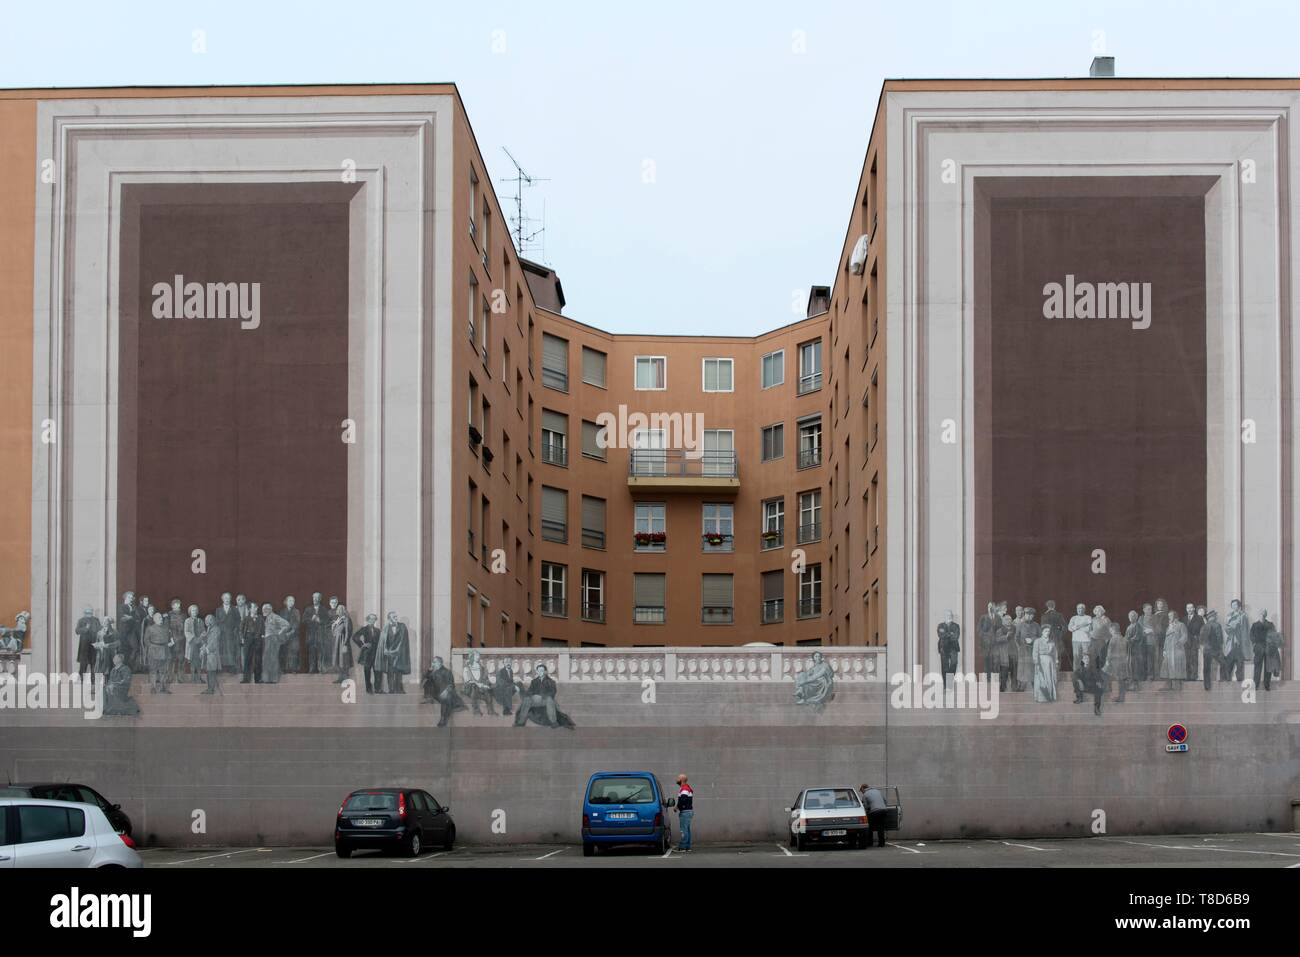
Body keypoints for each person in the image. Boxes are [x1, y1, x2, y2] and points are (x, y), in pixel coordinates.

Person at [513, 663, 575, 728]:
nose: (540, 672)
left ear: (545, 672)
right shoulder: (534, 681)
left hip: (545, 699)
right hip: (535, 699)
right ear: (537, 671)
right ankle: (521, 722)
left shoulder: (551, 681)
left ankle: (553, 722)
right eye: (539, 671)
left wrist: (542, 696)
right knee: (527, 700)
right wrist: (533, 695)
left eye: (542, 671)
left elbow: (553, 692)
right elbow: (529, 691)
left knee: (550, 700)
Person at [422, 656, 467, 726]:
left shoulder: (447, 671)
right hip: (436, 693)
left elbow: (451, 685)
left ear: (439, 663)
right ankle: (444, 716)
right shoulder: (433, 671)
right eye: (432, 662)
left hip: (447, 692)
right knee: (444, 699)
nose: (432, 664)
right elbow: (425, 678)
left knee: (446, 699)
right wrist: (429, 671)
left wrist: (445, 692)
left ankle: (443, 719)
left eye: (434, 662)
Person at [379, 612, 410, 694]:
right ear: (389, 618)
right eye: (394, 617)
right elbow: (383, 641)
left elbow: (403, 640)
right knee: (390, 672)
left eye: (396, 616)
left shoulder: (402, 626)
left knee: (399, 671)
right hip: (389, 654)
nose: (396, 618)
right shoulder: (386, 627)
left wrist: (396, 650)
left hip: (398, 653)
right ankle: (391, 689)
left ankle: (399, 689)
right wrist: (385, 650)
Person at [260, 604, 292, 684]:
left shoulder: (274, 617)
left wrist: (279, 632)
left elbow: (287, 624)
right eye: (263, 609)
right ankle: (267, 678)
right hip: (268, 639)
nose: (263, 611)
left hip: (273, 640)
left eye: (265, 609)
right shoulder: (267, 618)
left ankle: (273, 679)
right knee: (267, 659)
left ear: (270, 609)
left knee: (273, 658)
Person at [143, 611, 172, 693]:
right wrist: (152, 647)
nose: (161, 619)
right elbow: (146, 640)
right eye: (159, 618)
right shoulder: (150, 628)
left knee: (163, 670)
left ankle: (163, 687)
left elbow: (169, 639)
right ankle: (153, 688)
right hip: (153, 652)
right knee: (153, 670)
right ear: (154, 619)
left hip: (164, 651)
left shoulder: (166, 628)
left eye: (161, 618)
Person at [461, 650, 496, 714]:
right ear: (472, 657)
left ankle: (491, 710)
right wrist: (478, 684)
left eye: (478, 655)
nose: (478, 657)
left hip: (480, 688)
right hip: (470, 688)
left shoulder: (481, 667)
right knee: (474, 687)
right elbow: (467, 680)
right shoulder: (466, 668)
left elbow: (485, 678)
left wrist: (487, 683)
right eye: (476, 655)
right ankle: (476, 710)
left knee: (487, 691)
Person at [302, 593, 329, 675]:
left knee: (321, 652)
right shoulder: (308, 609)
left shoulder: (324, 609)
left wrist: (319, 620)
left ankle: (321, 668)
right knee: (312, 652)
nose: (315, 599)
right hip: (311, 635)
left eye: (317, 598)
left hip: (321, 635)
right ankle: (312, 669)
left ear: (320, 599)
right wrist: (311, 619)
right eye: (314, 597)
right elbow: (303, 621)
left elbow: (327, 621)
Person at [1161, 611, 1188, 692]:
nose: (1169, 617)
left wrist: (1179, 643)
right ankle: (1169, 685)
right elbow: (1166, 639)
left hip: (1177, 649)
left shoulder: (1181, 625)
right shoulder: (1168, 627)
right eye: (1169, 616)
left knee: (1178, 666)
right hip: (1169, 650)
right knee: (1167, 666)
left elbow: (1185, 635)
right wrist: (1164, 649)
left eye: (1171, 615)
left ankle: (1177, 686)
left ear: (1175, 616)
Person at [214, 593, 240, 675]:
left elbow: (238, 621)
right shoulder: (218, 610)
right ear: (222, 599)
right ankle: (222, 668)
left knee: (231, 650)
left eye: (228, 598)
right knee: (222, 650)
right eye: (225, 598)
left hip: (231, 633)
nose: (227, 599)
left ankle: (231, 668)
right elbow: (217, 622)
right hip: (221, 634)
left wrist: (235, 630)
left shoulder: (235, 609)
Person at [354, 614, 381, 693]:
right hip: (367, 654)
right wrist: (362, 645)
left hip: (376, 653)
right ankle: (368, 689)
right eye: (371, 619)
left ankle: (377, 689)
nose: (372, 620)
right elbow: (355, 637)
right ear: (368, 620)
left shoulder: (378, 630)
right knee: (367, 671)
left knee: (377, 671)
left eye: (374, 619)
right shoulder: (364, 629)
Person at [1251, 610, 1277, 692]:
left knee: (1268, 668)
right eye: (1261, 613)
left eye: (1264, 613)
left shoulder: (1270, 625)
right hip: (1259, 648)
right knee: (1257, 667)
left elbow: (1273, 635)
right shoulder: (1255, 625)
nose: (1262, 615)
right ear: (1259, 614)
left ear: (1266, 615)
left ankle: (1267, 685)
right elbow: (1251, 635)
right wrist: (1255, 644)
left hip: (1268, 648)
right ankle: (1255, 685)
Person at [1223, 600, 1249, 682]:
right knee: (1228, 662)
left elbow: (1245, 629)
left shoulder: (1243, 615)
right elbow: (1226, 628)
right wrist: (1233, 626)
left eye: (1235, 605)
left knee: (1239, 663)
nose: (1234, 606)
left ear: (1239, 606)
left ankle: (1239, 681)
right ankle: (1227, 679)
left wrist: (1244, 641)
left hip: (1239, 642)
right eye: (1232, 605)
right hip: (1230, 642)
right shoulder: (1229, 615)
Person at [1104, 621, 1130, 702]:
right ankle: (1121, 697)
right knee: (1121, 680)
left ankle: (1107, 692)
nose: (1110, 631)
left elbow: (1110, 651)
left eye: (1110, 630)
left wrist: (1107, 660)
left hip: (1114, 661)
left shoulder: (1113, 638)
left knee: (1105, 673)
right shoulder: (1123, 638)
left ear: (1113, 629)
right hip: (1122, 661)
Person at [1032, 624, 1057, 702]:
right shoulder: (1037, 641)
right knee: (1041, 679)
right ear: (1042, 632)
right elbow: (1035, 653)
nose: (1047, 633)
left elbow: (1055, 653)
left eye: (1048, 631)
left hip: (1050, 663)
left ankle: (1050, 696)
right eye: (1045, 631)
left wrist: (1056, 661)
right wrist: (1036, 663)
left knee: (1050, 679)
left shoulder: (1052, 642)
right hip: (1041, 662)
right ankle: (1041, 698)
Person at [1042, 600, 1068, 672]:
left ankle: (1048, 676)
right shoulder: (1059, 615)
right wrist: (1060, 633)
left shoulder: (1044, 616)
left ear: (1047, 606)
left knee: (1047, 656)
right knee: (1057, 657)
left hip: (1046, 640)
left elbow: (1042, 628)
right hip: (1057, 639)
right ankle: (1056, 675)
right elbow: (1064, 628)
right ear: (1054, 606)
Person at [1015, 608, 1038, 693]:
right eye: (1027, 614)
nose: (1029, 616)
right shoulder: (1020, 625)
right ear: (1024, 615)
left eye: (1031, 615)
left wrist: (1032, 639)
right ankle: (1021, 686)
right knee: (1022, 669)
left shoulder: (1036, 625)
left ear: (1033, 616)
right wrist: (1019, 647)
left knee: (1033, 668)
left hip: (1033, 651)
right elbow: (1016, 637)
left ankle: (1035, 685)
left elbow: (1040, 637)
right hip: (1023, 651)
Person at [331, 604, 355, 684]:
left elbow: (348, 632)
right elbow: (334, 633)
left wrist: (345, 643)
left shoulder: (346, 619)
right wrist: (334, 625)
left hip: (343, 642)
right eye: (338, 609)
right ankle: (340, 678)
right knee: (339, 661)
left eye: (340, 609)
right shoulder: (338, 619)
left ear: (343, 610)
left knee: (344, 661)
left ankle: (345, 678)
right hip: (337, 642)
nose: (338, 610)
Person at [240, 603, 264, 683]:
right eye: (254, 607)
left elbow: (263, 629)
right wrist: (243, 638)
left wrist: (262, 637)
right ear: (250, 609)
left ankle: (258, 679)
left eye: (256, 607)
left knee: (258, 660)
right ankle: (246, 679)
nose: (256, 608)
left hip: (258, 640)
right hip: (248, 639)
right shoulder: (246, 618)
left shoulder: (260, 618)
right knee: (247, 659)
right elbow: (241, 629)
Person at [937, 612, 961, 691]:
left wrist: (946, 634)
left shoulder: (956, 626)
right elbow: (940, 635)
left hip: (953, 648)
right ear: (945, 616)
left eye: (950, 615)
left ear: (952, 616)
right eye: (947, 615)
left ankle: (949, 683)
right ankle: (945, 685)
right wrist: (950, 634)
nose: (949, 616)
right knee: (944, 667)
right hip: (943, 648)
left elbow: (956, 636)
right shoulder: (940, 625)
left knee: (954, 664)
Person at [1201, 609, 1224, 690]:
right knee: (1224, 663)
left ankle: (1207, 686)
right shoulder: (1217, 625)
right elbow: (1220, 638)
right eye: (1215, 615)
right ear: (1213, 617)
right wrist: (1220, 648)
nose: (1216, 617)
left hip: (1206, 649)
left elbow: (1201, 639)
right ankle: (1223, 681)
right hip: (1215, 649)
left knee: (1206, 668)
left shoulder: (1204, 626)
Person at [74, 606, 99, 678]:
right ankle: (81, 680)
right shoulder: (81, 620)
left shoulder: (96, 620)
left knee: (94, 663)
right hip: (84, 645)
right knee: (83, 663)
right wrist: (86, 628)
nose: (89, 614)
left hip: (94, 644)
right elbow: (77, 631)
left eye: (90, 612)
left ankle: (93, 681)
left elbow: (99, 629)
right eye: (87, 612)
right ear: (84, 613)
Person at [280, 596, 301, 675]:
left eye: (293, 600)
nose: (291, 602)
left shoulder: (296, 612)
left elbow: (297, 623)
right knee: (284, 651)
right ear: (286, 602)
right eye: (290, 600)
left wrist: (291, 631)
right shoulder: (282, 612)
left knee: (294, 651)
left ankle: (294, 669)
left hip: (294, 635)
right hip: (284, 634)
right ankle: (284, 669)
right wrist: (284, 632)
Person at [200, 620, 222, 695]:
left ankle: (211, 689)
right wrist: (203, 637)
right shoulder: (210, 629)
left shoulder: (216, 629)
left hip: (213, 654)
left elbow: (214, 642)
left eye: (207, 621)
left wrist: (206, 650)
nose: (206, 623)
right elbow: (207, 641)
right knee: (209, 672)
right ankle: (210, 688)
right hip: (209, 655)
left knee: (211, 672)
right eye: (205, 621)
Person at [675, 774, 695, 852]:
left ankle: (683, 847)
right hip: (688, 811)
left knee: (684, 830)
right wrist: (678, 806)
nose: (677, 779)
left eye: (678, 778)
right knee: (687, 829)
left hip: (685, 812)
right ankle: (687, 847)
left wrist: (677, 807)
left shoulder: (684, 789)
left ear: (682, 780)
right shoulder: (686, 788)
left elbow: (683, 799)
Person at [1185, 603, 1204, 681]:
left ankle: (1194, 676)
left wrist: (1199, 639)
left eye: (1191, 608)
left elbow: (1202, 630)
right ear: (1186, 609)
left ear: (1193, 609)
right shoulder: (1184, 619)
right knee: (1187, 659)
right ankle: (1188, 676)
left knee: (1194, 658)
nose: (1189, 610)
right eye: (1188, 608)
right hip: (1186, 642)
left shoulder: (1199, 618)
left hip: (1195, 641)